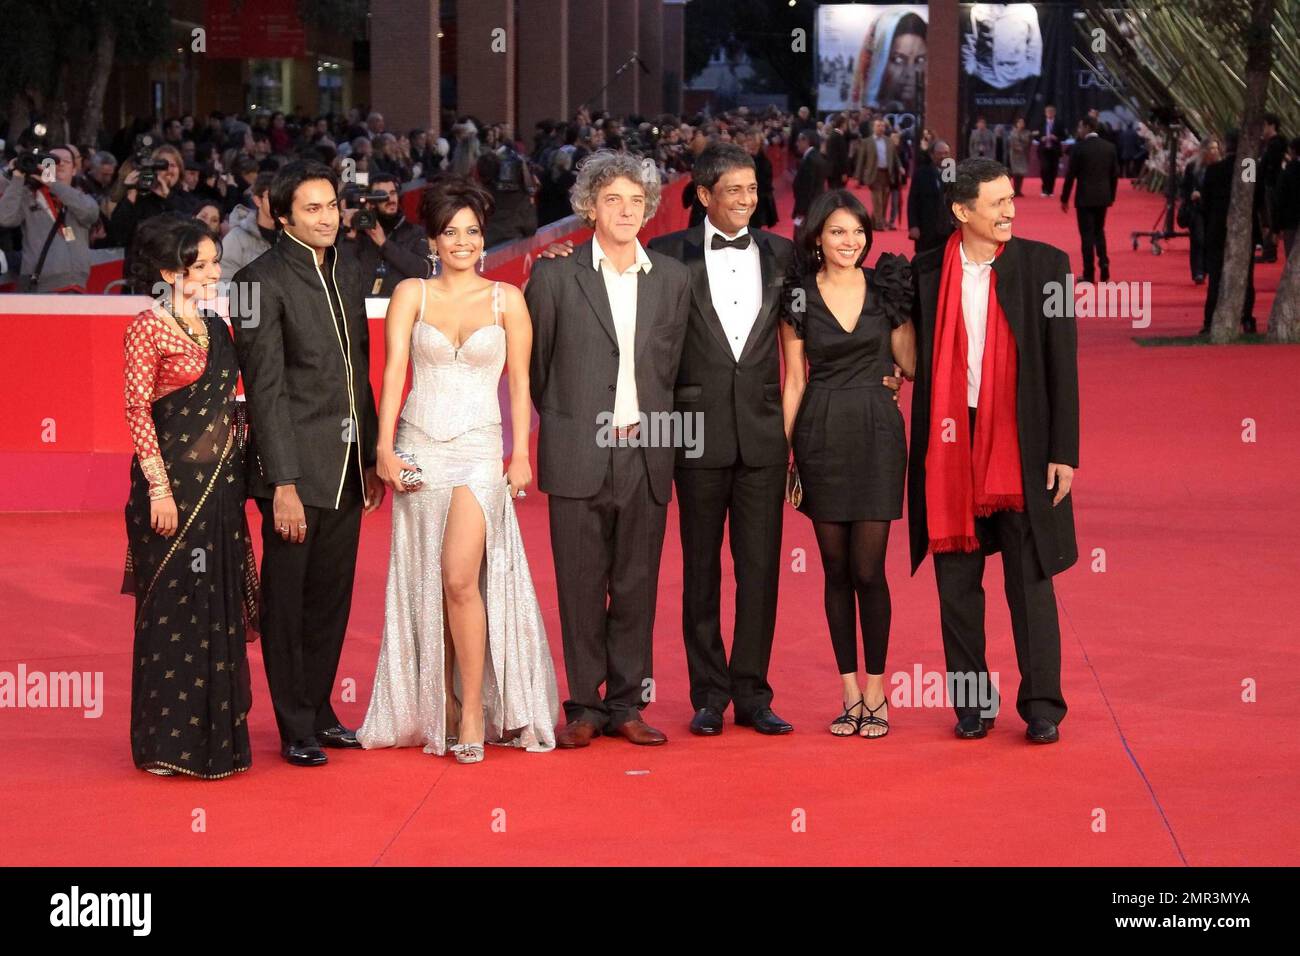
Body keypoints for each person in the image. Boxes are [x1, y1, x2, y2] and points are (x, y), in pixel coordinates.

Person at [358, 177, 558, 763]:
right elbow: (394, 373)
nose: (464, 242)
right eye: (452, 233)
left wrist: (521, 454)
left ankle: (473, 707)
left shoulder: (507, 300)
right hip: (419, 447)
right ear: (434, 240)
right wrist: (384, 449)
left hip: (478, 451)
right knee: (427, 579)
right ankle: (439, 704)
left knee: (457, 578)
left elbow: (520, 385)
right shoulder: (411, 295)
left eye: (472, 232)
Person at [907, 158, 1078, 744]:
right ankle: (972, 704)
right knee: (956, 584)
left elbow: (1063, 368)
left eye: (1011, 200)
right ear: (961, 211)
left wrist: (1064, 450)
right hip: (950, 440)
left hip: (1021, 440)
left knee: (1030, 582)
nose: (1009, 211)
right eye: (996, 202)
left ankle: (1042, 707)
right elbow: (904, 354)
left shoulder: (1045, 267)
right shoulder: (926, 272)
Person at [525, 150, 691, 748]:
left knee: (636, 585)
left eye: (636, 200)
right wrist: (572, 424)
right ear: (589, 206)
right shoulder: (553, 275)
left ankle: (627, 703)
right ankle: (583, 706)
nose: (626, 210)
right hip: (577, 451)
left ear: (649, 210)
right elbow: (536, 371)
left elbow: (678, 371)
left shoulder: (674, 279)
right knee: (578, 583)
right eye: (613, 199)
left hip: (647, 454)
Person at [231, 160, 385, 767]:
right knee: (288, 602)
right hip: (293, 473)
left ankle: (320, 710)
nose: (327, 218)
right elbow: (263, 389)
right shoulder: (254, 280)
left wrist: (371, 456)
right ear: (283, 212)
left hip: (347, 467)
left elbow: (361, 373)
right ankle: (294, 722)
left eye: (332, 206)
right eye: (313, 208)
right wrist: (283, 483)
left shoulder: (346, 269)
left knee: (331, 598)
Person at [121, 213, 260, 777]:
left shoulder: (219, 328)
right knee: (174, 611)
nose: (212, 272)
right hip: (172, 493)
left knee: (218, 610)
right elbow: (137, 412)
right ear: (165, 271)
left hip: (220, 493)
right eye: (197, 264)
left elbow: (236, 407)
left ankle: (218, 744)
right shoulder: (146, 328)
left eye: (213, 262)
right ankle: (166, 745)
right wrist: (159, 488)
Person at [780, 190, 914, 739]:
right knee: (835, 571)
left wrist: (896, 374)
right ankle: (849, 691)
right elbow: (793, 380)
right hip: (821, 432)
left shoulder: (888, 287)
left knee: (868, 569)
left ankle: (878, 690)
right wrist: (789, 454)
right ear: (817, 237)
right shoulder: (797, 298)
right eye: (837, 232)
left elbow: (910, 362)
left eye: (857, 232)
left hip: (878, 433)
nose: (849, 242)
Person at [0, 145, 100, 292]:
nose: (59, 164)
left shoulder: (81, 197)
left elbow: (90, 214)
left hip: (73, 284)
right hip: (37, 284)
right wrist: (17, 178)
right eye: (52, 160)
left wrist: (53, 184)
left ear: (74, 170)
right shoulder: (29, 196)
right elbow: (5, 218)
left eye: (65, 161)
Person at [340, 172, 432, 296]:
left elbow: (424, 271)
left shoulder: (415, 232)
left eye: (393, 193)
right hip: (364, 308)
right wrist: (350, 236)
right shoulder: (359, 232)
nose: (390, 199)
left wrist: (384, 243)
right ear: (371, 201)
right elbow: (342, 274)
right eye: (382, 195)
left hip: (403, 307)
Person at [1060, 116, 1119, 283]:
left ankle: (1089, 273)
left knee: (1087, 236)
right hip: (1103, 198)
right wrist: (1111, 196)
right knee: (1099, 232)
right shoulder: (1110, 148)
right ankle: (1105, 265)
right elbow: (1114, 175)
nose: (1079, 130)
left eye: (1080, 127)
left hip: (1085, 198)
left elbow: (1071, 175)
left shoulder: (1079, 148)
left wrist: (1064, 198)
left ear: (1087, 127)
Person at [220, 172, 277, 282]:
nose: (278, 203)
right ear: (257, 200)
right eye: (272, 197)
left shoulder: (292, 235)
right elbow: (224, 282)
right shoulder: (236, 238)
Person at [1179, 136, 1221, 285]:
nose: (1214, 151)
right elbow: (1184, 187)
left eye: (1216, 148)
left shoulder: (1219, 167)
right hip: (1196, 208)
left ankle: (1208, 269)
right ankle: (1198, 271)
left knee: (1210, 240)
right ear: (1203, 150)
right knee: (1198, 239)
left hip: (1213, 208)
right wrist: (1190, 195)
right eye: (1211, 148)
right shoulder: (1192, 167)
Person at [907, 139, 955, 255]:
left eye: (946, 153)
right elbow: (913, 201)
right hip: (926, 228)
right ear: (932, 155)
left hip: (947, 229)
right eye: (939, 153)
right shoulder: (921, 173)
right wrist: (913, 226)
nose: (943, 156)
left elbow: (956, 199)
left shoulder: (952, 172)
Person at [855, 119, 895, 230]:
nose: (881, 128)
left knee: (884, 199)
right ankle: (879, 224)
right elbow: (861, 160)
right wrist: (858, 176)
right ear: (873, 127)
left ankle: (873, 221)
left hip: (887, 173)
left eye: (882, 126)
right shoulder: (866, 142)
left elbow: (894, 157)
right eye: (878, 126)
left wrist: (899, 168)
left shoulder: (889, 141)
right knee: (877, 199)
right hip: (874, 173)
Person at [792, 129, 827, 226]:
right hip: (814, 205)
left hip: (808, 207)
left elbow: (807, 188)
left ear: (806, 141)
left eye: (799, 141)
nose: (796, 144)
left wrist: (801, 210)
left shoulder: (810, 160)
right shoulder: (814, 156)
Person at [1036, 105, 1064, 197]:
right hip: (1044, 150)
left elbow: (1065, 136)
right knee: (1045, 169)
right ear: (1045, 113)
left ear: (1054, 113)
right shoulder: (1040, 123)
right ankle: (1044, 189)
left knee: (1053, 170)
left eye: (1051, 112)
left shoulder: (1059, 123)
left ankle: (1051, 190)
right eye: (1048, 112)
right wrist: (1041, 138)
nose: (1049, 113)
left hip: (1054, 150)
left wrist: (1056, 138)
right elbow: (1035, 136)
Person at [1008, 117, 1032, 196]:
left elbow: (1027, 141)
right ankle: (1015, 190)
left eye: (1022, 122)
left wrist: (1022, 146)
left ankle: (1019, 190)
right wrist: (1018, 147)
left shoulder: (1027, 132)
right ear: (1016, 124)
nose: (1021, 124)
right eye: (1019, 122)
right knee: (1015, 173)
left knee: (1021, 173)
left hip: (1023, 154)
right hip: (1015, 154)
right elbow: (1011, 142)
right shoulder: (1012, 132)